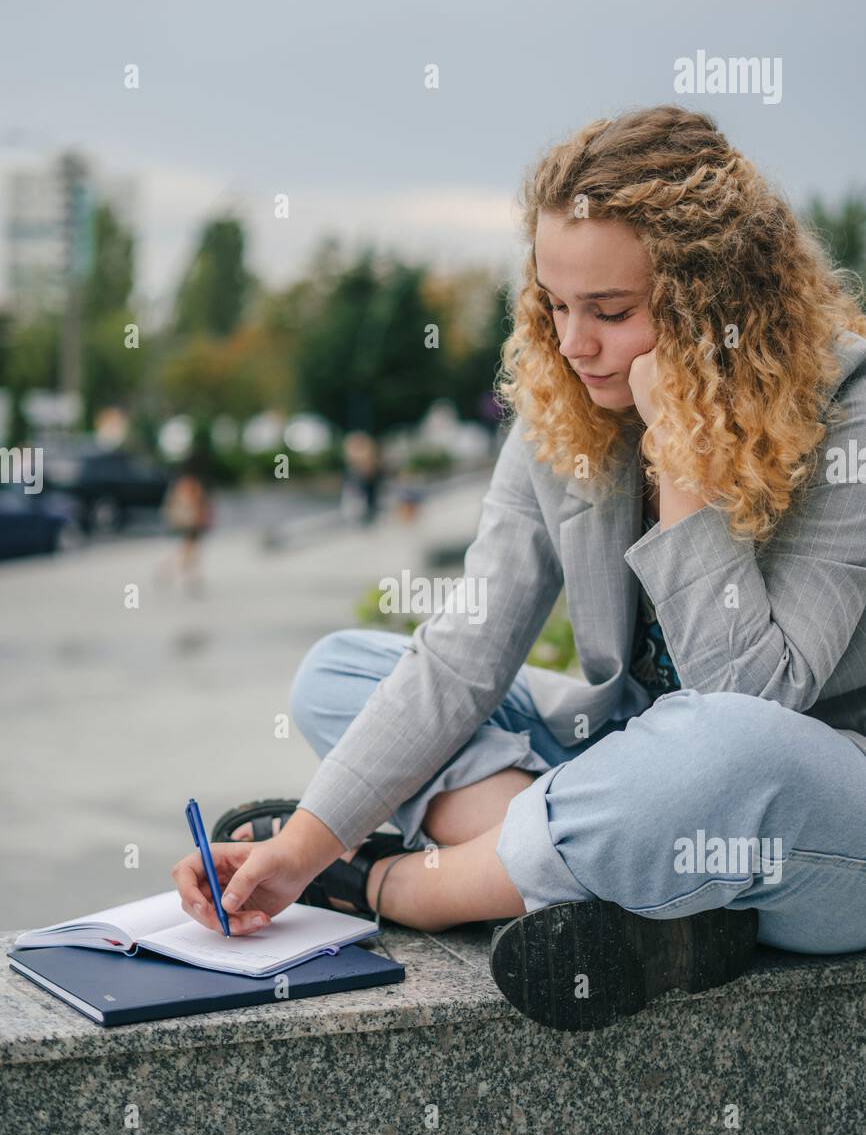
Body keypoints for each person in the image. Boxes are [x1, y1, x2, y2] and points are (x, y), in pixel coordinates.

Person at [172, 104, 866, 1031]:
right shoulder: (568, 399)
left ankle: (407, 885)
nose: (574, 343)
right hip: (628, 770)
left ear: (716, 305)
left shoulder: (848, 413)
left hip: (804, 818)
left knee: (712, 755)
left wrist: (687, 461)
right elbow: (466, 655)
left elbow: (748, 704)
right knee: (339, 673)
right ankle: (613, 890)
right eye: (556, 303)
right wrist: (302, 845)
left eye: (611, 313)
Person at [155, 462, 213, 594]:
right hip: (191, 521)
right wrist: (201, 516)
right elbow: (196, 503)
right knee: (190, 548)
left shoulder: (180, 483)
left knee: (189, 547)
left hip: (185, 521)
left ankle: (182, 573)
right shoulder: (192, 484)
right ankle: (178, 572)